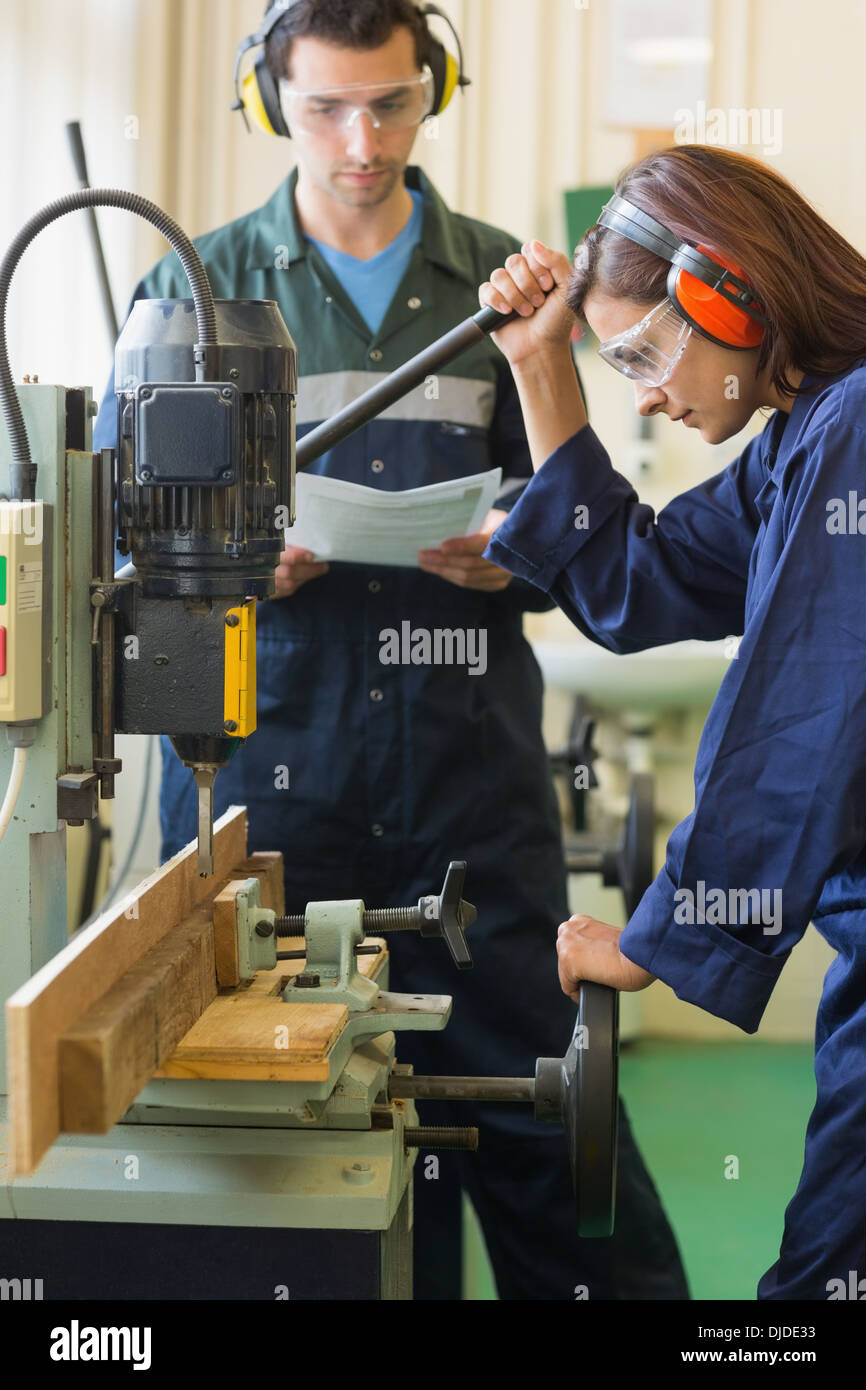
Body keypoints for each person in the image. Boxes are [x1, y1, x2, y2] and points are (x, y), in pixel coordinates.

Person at [95, 0, 689, 1301]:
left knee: (551, 1129)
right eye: (324, 107)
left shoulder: (505, 285)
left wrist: (515, 547)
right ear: (269, 102)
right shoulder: (191, 291)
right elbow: (124, 553)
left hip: (473, 783)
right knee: (305, 1139)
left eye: (391, 102)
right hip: (265, 788)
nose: (361, 140)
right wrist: (231, 566)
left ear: (435, 90)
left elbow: (583, 524)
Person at [478, 141, 866, 1301]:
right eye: (617, 366)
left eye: (646, 352)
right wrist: (539, 364)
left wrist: (656, 933)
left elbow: (800, 710)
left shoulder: (852, 428)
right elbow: (632, 583)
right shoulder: (803, 440)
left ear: (725, 290)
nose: (642, 391)